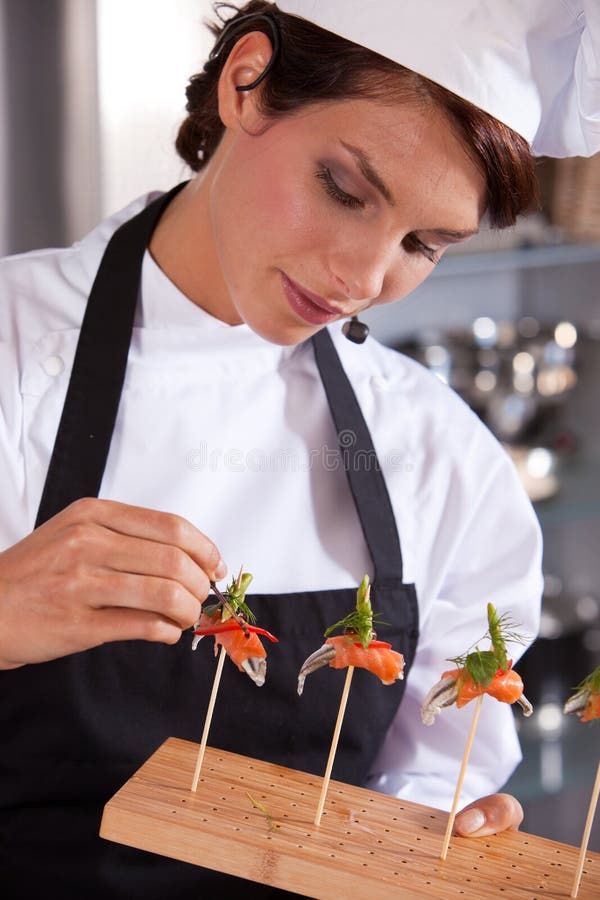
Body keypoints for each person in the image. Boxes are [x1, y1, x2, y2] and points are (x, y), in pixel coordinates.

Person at [0, 1, 597, 896]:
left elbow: (437, 771)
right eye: (346, 190)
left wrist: (433, 834)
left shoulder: (442, 462)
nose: (363, 279)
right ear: (248, 82)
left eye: (422, 245)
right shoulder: (10, 349)